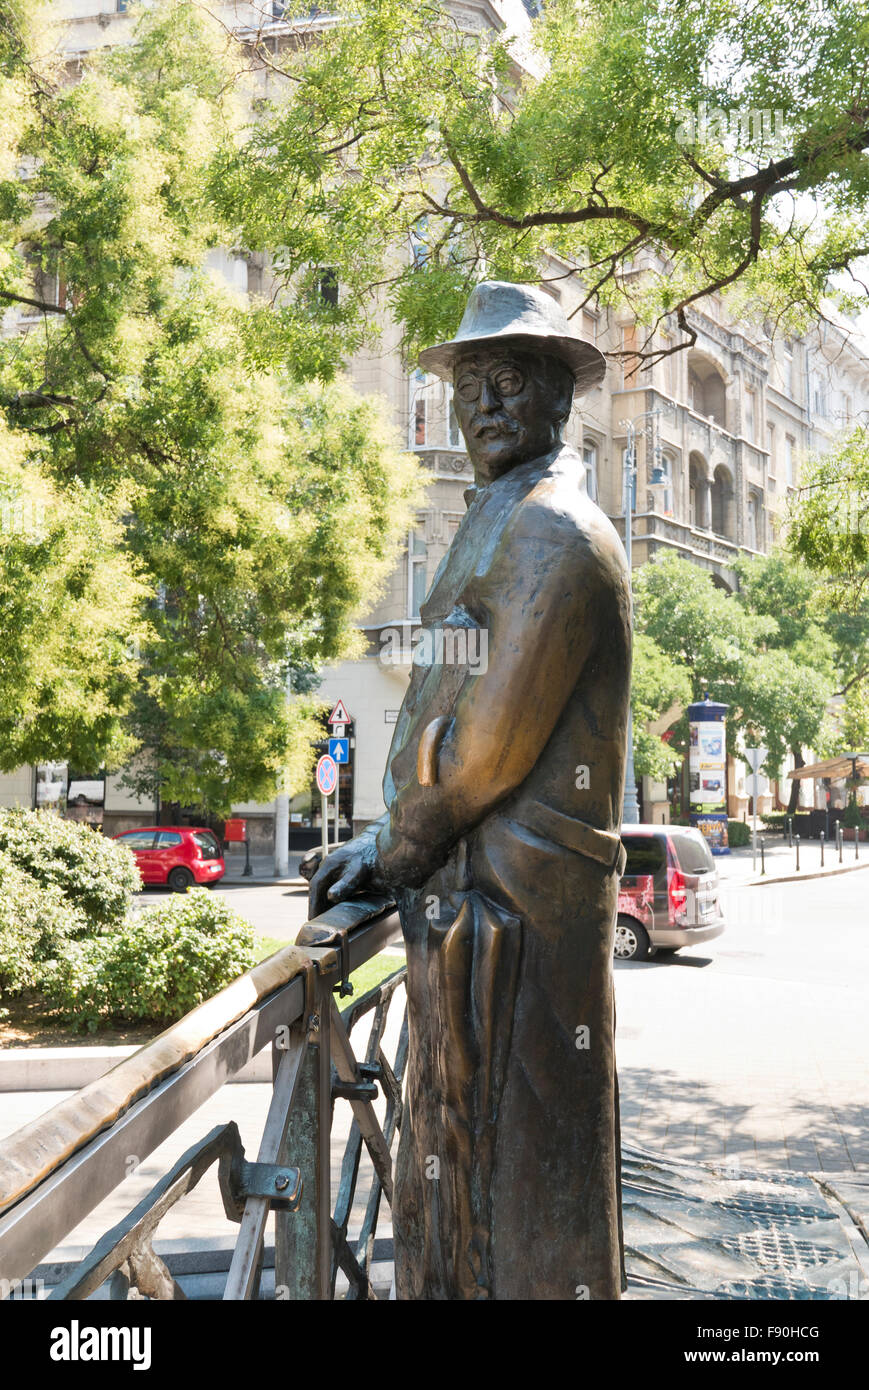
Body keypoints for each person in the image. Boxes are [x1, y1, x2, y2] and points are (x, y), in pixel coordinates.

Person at [309, 282, 631, 1299]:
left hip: (519, 920)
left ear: (553, 400)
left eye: (507, 384)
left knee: (518, 1179)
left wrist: (390, 849)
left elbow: (475, 755)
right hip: (479, 916)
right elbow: (440, 710)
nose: (483, 406)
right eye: (466, 387)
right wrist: (385, 848)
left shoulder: (551, 532)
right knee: (477, 1180)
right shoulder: (495, 517)